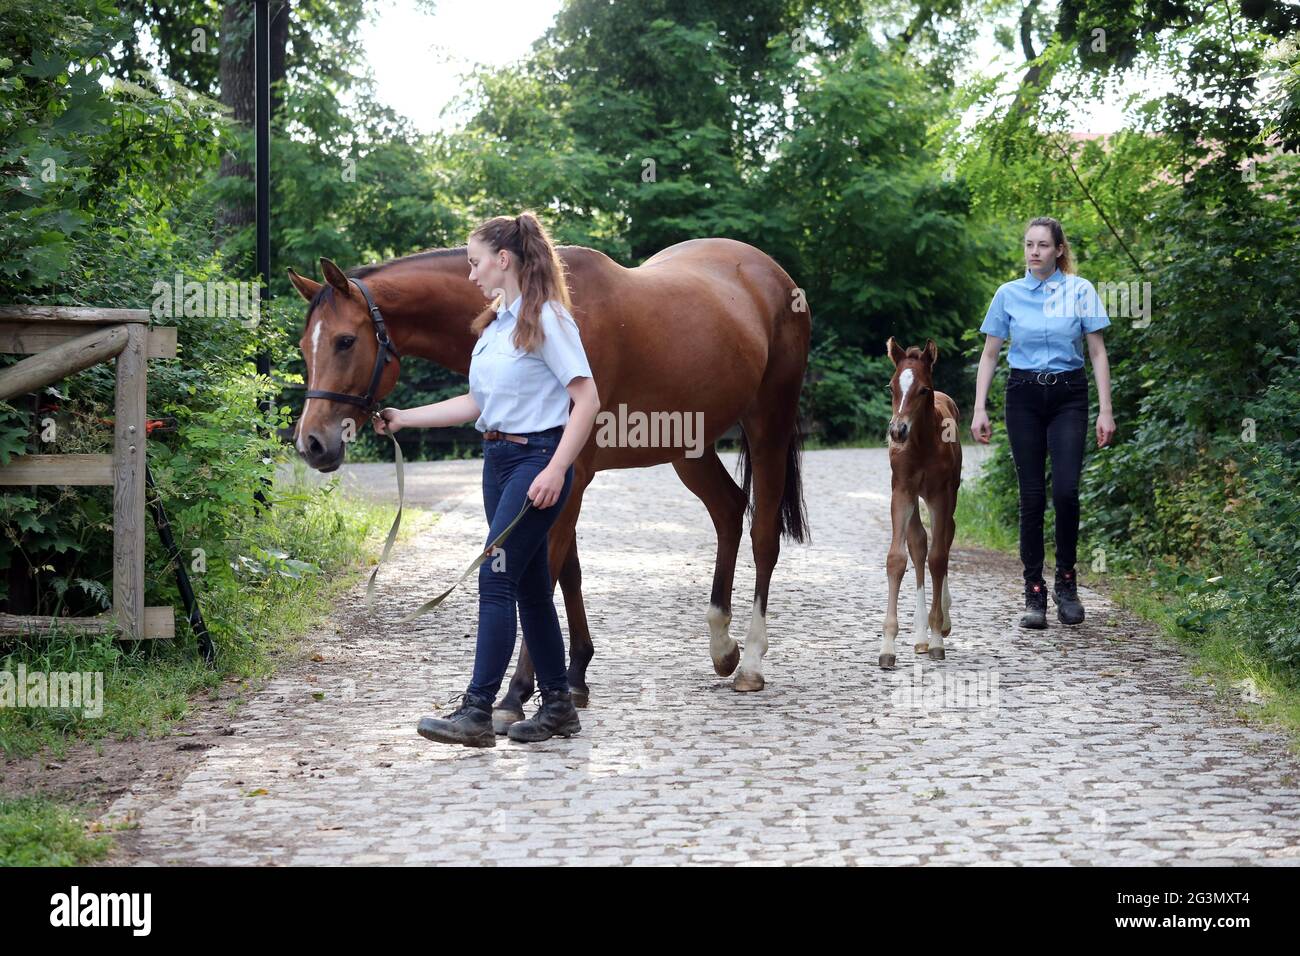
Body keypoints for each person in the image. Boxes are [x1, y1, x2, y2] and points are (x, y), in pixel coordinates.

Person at [374, 211, 600, 746]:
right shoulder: (497, 325)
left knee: (494, 577)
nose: (470, 272)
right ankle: (559, 707)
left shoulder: (548, 320)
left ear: (504, 260)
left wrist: (556, 468)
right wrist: (406, 417)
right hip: (497, 462)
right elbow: (479, 402)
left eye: (475, 262)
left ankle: (477, 711)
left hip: (534, 461)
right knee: (530, 587)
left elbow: (587, 398)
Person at [970, 216, 1117, 628]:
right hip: (1024, 396)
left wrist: (1106, 410)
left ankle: (1066, 583)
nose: (1033, 251)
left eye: (1042, 245)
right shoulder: (1008, 294)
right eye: (1028, 244)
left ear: (1059, 250)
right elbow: (990, 354)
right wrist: (979, 408)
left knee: (1067, 492)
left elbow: (1098, 353)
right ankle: (1033, 591)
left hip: (1070, 395)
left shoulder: (1081, 290)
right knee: (1032, 496)